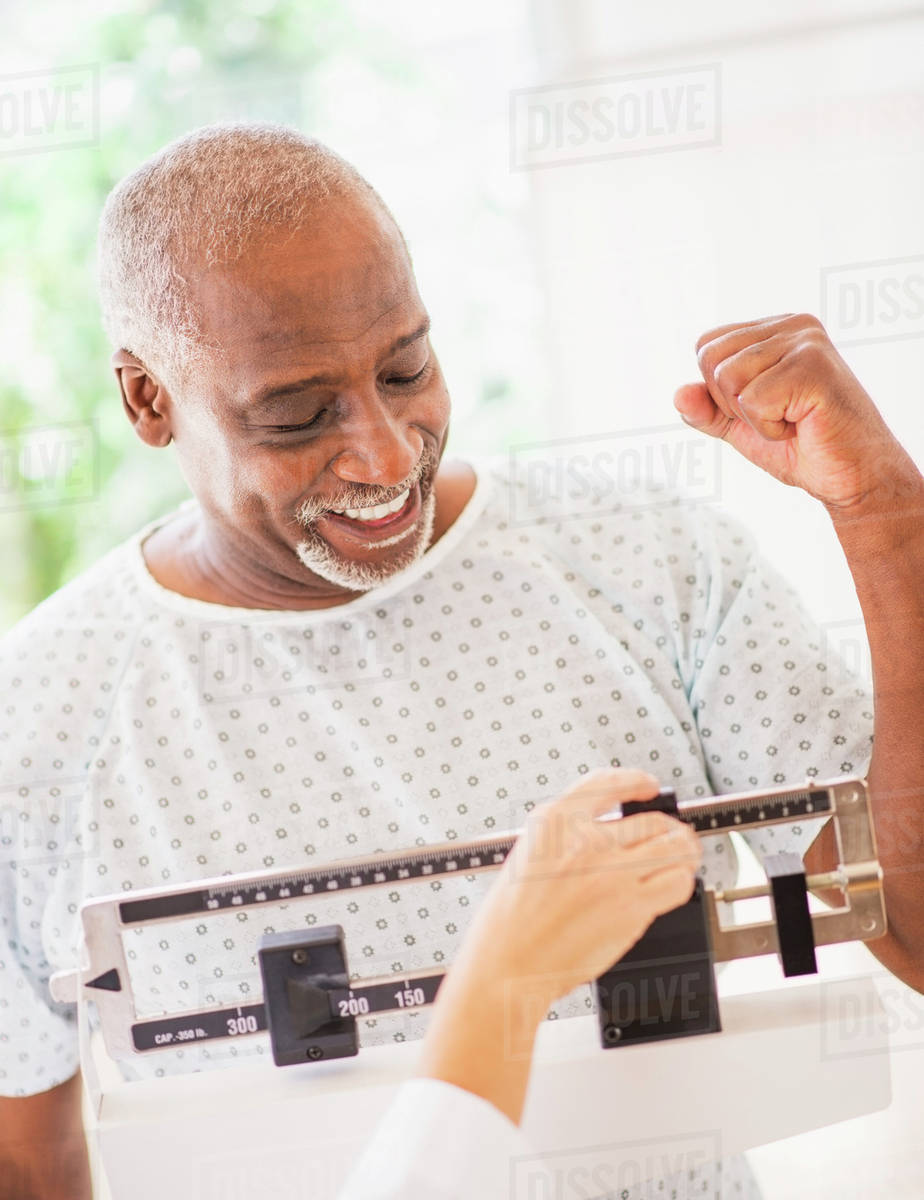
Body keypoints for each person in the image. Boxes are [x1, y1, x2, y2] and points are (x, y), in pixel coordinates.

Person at [1, 122, 922, 1200]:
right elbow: (26, 1161)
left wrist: (885, 515)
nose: (386, 452)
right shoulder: (41, 716)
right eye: (296, 415)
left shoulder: (654, 564)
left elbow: (913, 932)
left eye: (407, 369)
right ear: (148, 401)